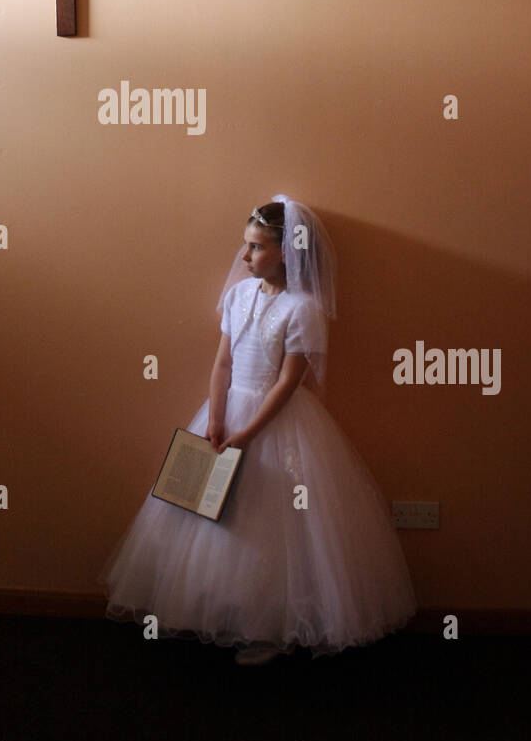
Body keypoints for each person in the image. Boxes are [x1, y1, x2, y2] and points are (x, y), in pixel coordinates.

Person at [97, 194, 417, 665]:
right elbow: (223, 361)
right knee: (215, 516)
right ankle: (219, 612)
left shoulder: (302, 308)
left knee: (271, 524)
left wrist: (248, 435)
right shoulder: (239, 295)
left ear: (287, 252)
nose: (244, 256)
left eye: (256, 248)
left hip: (275, 421)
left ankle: (267, 627)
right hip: (226, 412)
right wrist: (219, 417)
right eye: (245, 246)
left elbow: (290, 381)